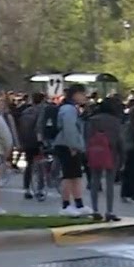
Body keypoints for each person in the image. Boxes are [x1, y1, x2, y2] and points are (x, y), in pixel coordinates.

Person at [84, 98, 124, 222]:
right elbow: (120, 140)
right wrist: (123, 156)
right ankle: (109, 210)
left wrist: (87, 152)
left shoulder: (92, 120)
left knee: (95, 181)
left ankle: (95, 209)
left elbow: (86, 137)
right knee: (110, 183)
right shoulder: (115, 121)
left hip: (95, 152)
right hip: (112, 153)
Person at [54, 84, 90, 216]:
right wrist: (73, 145)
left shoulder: (71, 108)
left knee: (76, 176)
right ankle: (65, 205)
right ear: (75, 94)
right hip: (67, 145)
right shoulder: (69, 109)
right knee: (69, 176)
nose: (85, 97)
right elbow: (69, 129)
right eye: (83, 94)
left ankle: (79, 203)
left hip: (70, 145)